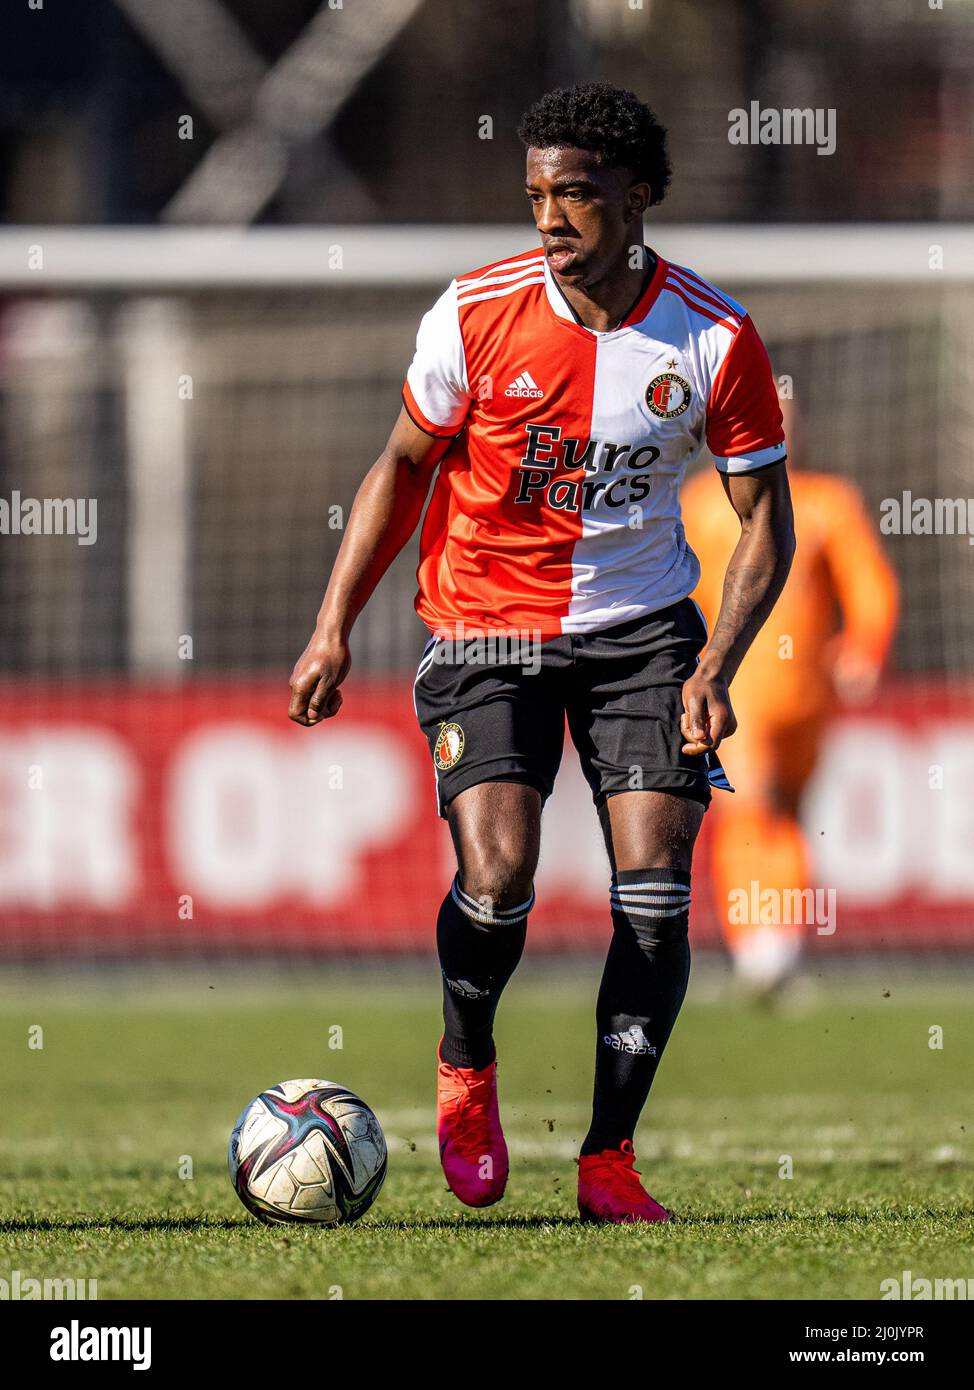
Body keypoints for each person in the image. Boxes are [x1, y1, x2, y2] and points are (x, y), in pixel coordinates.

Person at [288, 82, 795, 1223]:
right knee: (499, 871)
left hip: (642, 634)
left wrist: (714, 664)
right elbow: (403, 467)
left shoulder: (712, 336)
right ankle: (466, 1060)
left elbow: (765, 521)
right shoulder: (473, 312)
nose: (549, 219)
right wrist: (331, 626)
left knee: (656, 896)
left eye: (573, 193)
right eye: (533, 196)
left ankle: (608, 1158)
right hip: (485, 626)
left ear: (637, 194)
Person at [683, 398, 899, 994]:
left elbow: (870, 585)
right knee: (753, 810)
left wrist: (864, 648)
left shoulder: (829, 502)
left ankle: (775, 942)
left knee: (792, 813)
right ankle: (763, 947)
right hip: (736, 692)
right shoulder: (700, 504)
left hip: (809, 695)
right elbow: (674, 594)